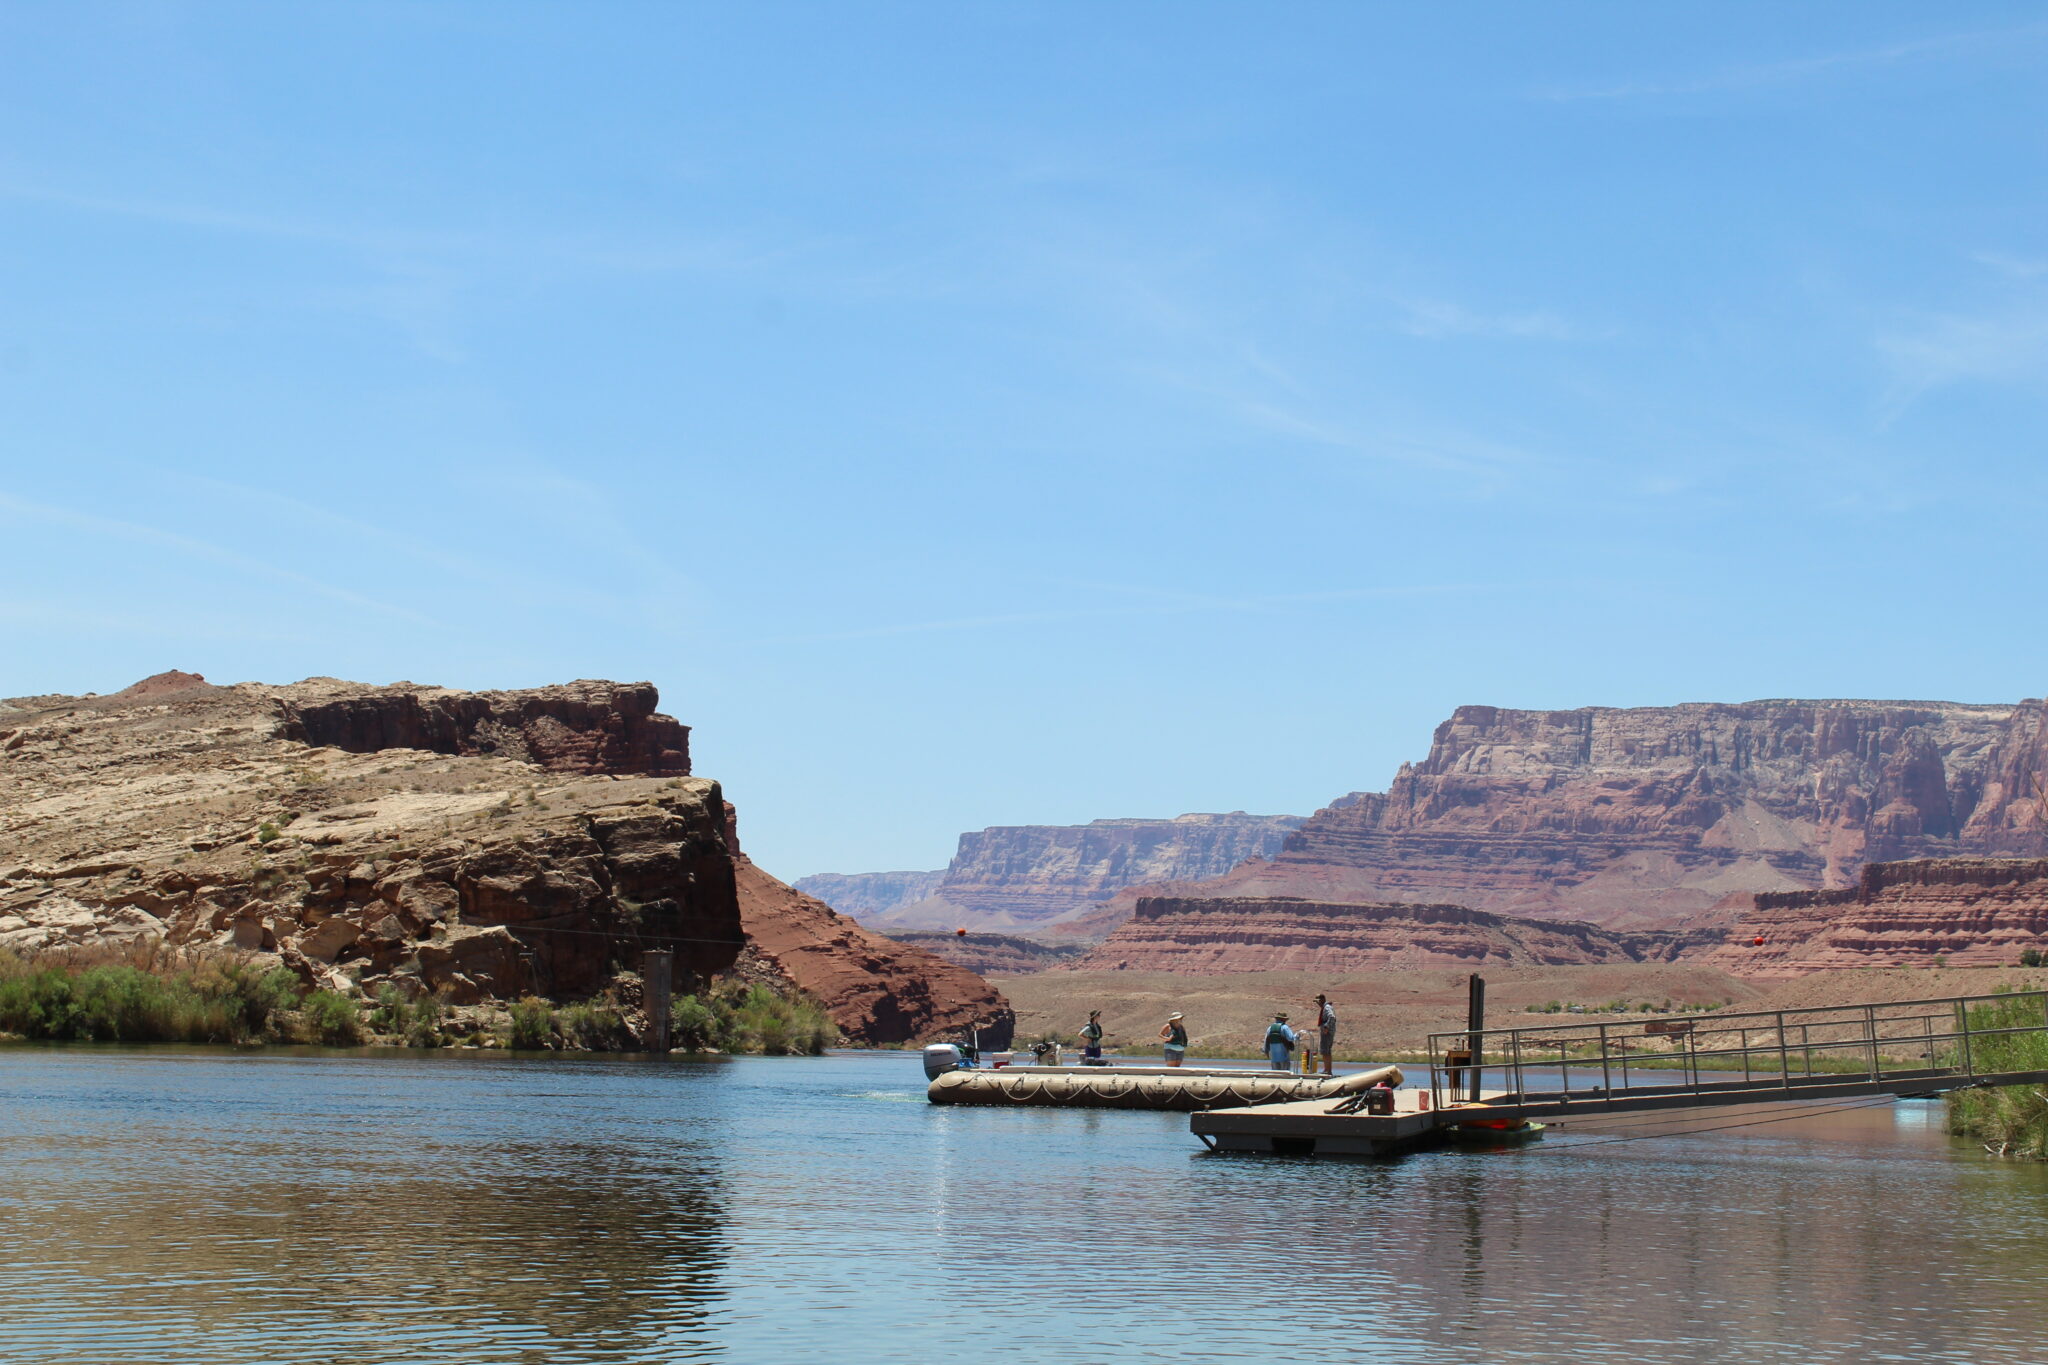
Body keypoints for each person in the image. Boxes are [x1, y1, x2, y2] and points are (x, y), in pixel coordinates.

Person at [1315, 993, 1338, 1077]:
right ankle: (1327, 1070)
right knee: (1326, 1051)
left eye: (1318, 1001)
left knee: (1325, 1051)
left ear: (1322, 1000)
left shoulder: (1327, 1007)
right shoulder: (1325, 1007)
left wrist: (1326, 1027)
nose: (1318, 1003)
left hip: (1327, 1033)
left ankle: (1327, 1070)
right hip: (1327, 1032)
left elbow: (1332, 1017)